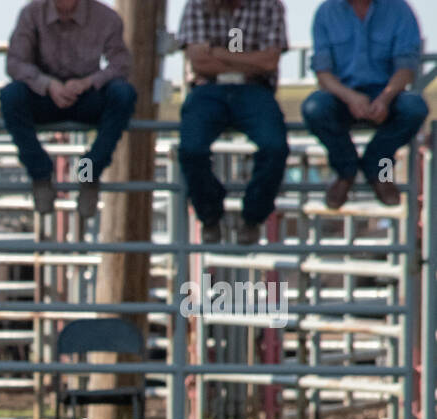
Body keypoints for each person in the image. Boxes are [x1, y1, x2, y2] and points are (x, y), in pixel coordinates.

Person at [0, 0, 137, 219]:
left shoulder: (106, 17)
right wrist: (48, 85)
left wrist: (88, 82)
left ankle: (89, 172)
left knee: (124, 94)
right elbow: (15, 63)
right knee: (11, 96)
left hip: (86, 96)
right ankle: (41, 174)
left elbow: (121, 64)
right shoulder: (31, 14)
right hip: (45, 95)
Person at [177, 0, 290, 244]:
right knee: (191, 149)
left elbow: (270, 61)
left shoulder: (269, 5)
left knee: (275, 146)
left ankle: (253, 216)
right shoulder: (197, 4)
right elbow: (198, 61)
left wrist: (217, 53)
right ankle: (209, 214)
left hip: (254, 89)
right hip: (209, 89)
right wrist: (250, 60)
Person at [301, 0, 427, 208]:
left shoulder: (399, 10)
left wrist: (385, 98)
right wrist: (349, 96)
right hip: (341, 96)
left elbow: (406, 66)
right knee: (314, 108)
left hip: (388, 93)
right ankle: (346, 170)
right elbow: (323, 73)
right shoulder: (326, 12)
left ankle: (377, 165)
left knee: (414, 108)